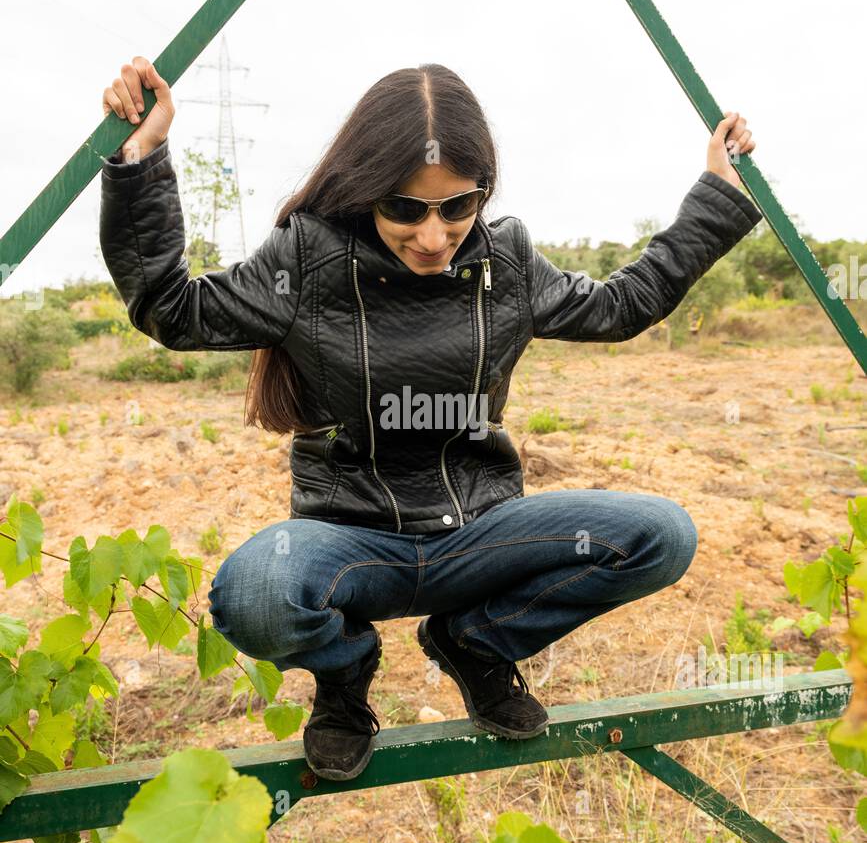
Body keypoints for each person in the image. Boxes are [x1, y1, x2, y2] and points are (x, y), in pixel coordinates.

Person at [99, 56, 761, 781]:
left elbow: (621, 305)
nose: (433, 234)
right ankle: (345, 680)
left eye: (457, 206)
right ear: (364, 190)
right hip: (350, 543)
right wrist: (143, 158)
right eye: (405, 208)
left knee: (660, 535)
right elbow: (173, 309)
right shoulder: (307, 259)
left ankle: (474, 642)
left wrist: (714, 199)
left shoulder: (504, 263)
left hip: (476, 535)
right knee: (255, 592)